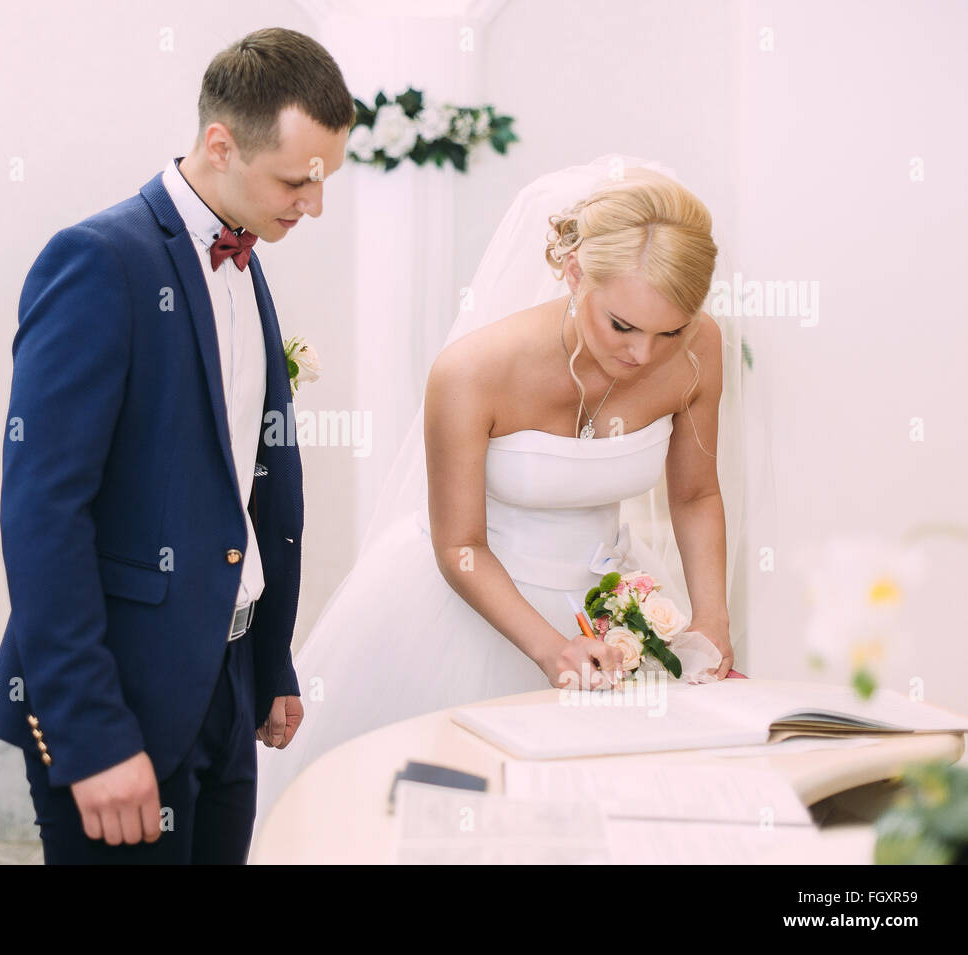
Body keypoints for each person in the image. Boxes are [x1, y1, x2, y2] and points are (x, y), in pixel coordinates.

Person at [252, 155, 745, 850]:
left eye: (670, 331)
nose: (644, 355)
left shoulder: (700, 351)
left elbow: (695, 492)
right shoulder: (473, 370)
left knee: (605, 830)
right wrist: (550, 649)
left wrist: (712, 619)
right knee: (447, 831)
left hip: (606, 602)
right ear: (573, 272)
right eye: (623, 326)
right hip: (467, 602)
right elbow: (461, 543)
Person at [0, 27, 354, 864]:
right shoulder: (96, 261)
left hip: (227, 684)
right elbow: (44, 514)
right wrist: (92, 734)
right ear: (220, 144)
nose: (313, 205)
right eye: (298, 181)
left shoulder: (245, 257)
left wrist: (269, 661)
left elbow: (247, 483)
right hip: (124, 693)